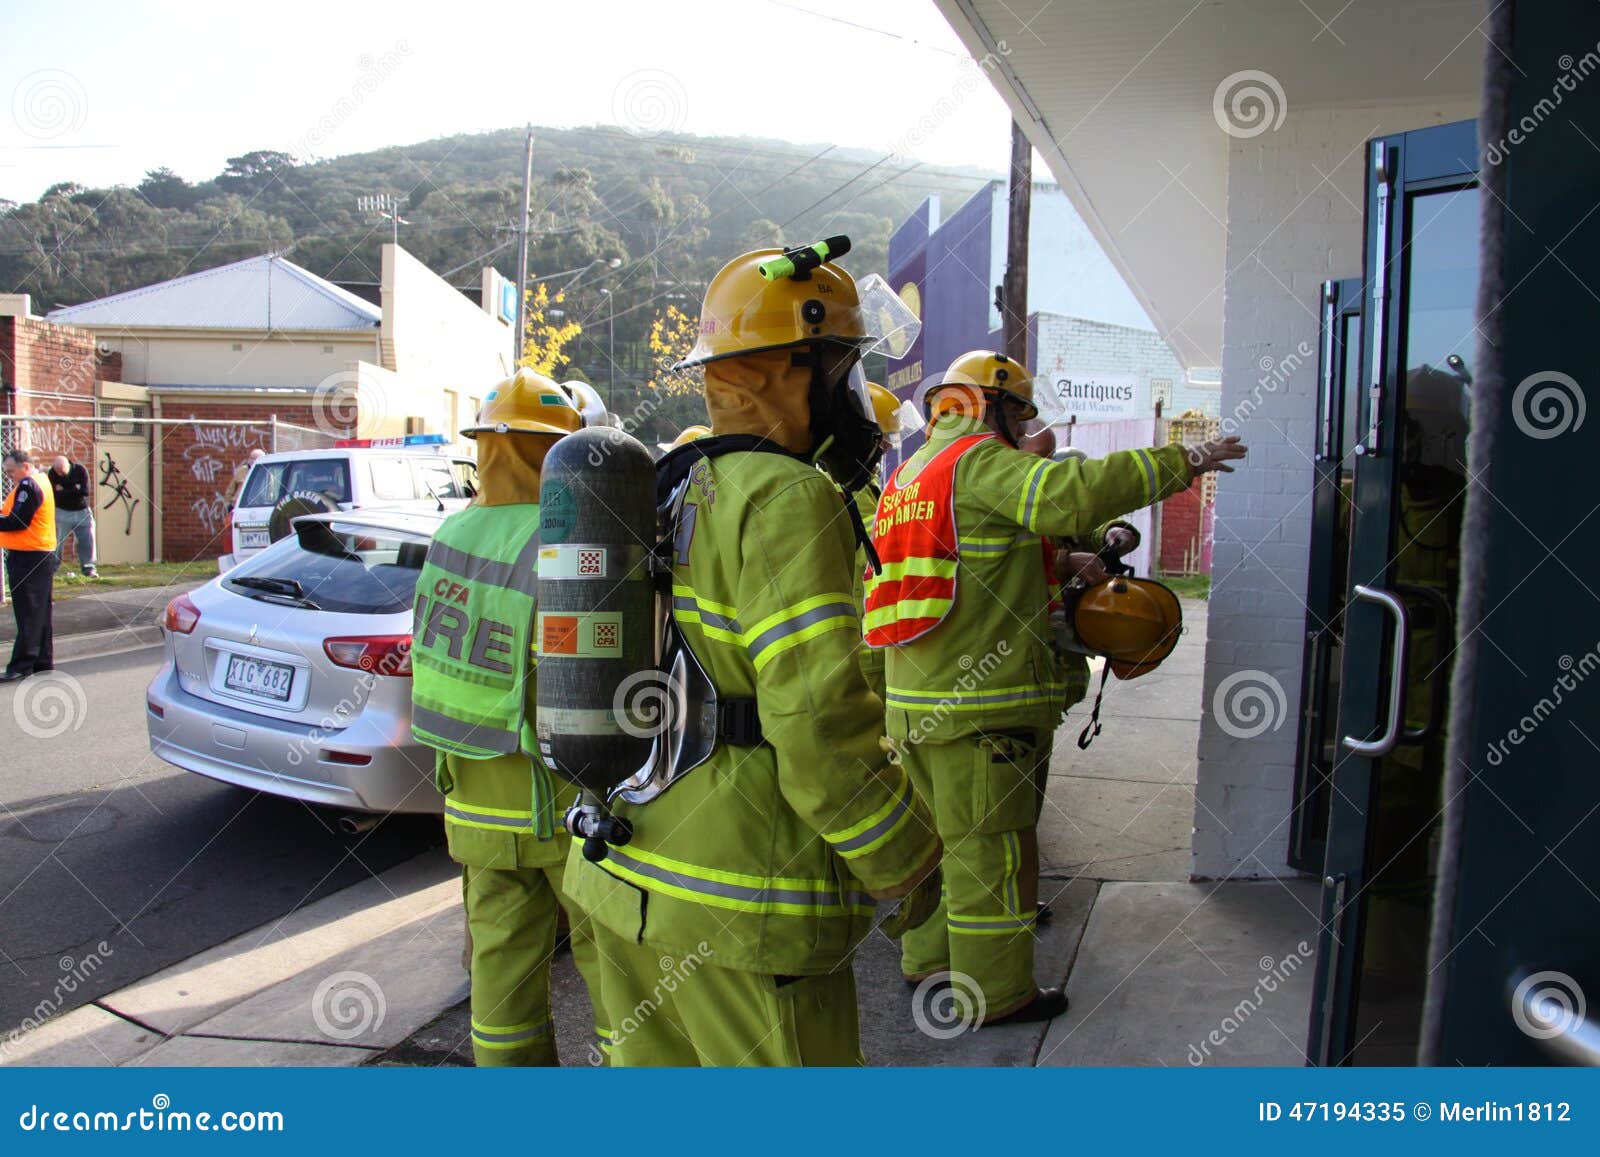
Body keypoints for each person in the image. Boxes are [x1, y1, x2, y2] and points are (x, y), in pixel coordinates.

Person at [564, 245, 942, 1067]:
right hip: (739, 908)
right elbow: (818, 724)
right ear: (785, 369)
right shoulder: (786, 496)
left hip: (620, 876)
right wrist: (908, 859)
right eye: (840, 366)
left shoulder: (672, 479)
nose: (850, 391)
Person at [865, 350, 1246, 1024]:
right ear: (994, 406)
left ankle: (928, 959)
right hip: (981, 707)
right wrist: (1183, 460)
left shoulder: (913, 474)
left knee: (945, 849)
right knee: (993, 855)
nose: (1023, 429)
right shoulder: (978, 461)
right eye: (1019, 415)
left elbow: (979, 558)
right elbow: (1068, 493)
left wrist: (1063, 556)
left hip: (918, 704)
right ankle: (995, 993)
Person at [409, 370, 607, 1066]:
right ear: (558, 452)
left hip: (472, 798)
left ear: (487, 447)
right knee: (614, 968)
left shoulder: (450, 533)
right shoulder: (567, 538)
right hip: (560, 803)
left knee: (500, 976)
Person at [1, 449, 59, 684]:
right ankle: (42, 661)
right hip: (39, 553)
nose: (9, 476)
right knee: (40, 611)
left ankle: (21, 665)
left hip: (28, 556)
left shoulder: (28, 485)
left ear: (25, 466)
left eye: (10, 471)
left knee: (28, 612)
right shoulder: (41, 481)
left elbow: (17, 521)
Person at [48, 453, 97, 579]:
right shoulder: (52, 473)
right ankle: (52, 568)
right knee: (58, 542)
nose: (59, 473)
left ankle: (88, 568)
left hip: (82, 510)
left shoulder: (80, 471)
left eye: (61, 470)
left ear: (68, 466)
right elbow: (54, 494)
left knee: (88, 539)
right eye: (57, 470)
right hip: (62, 511)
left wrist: (63, 489)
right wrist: (74, 488)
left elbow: (85, 491)